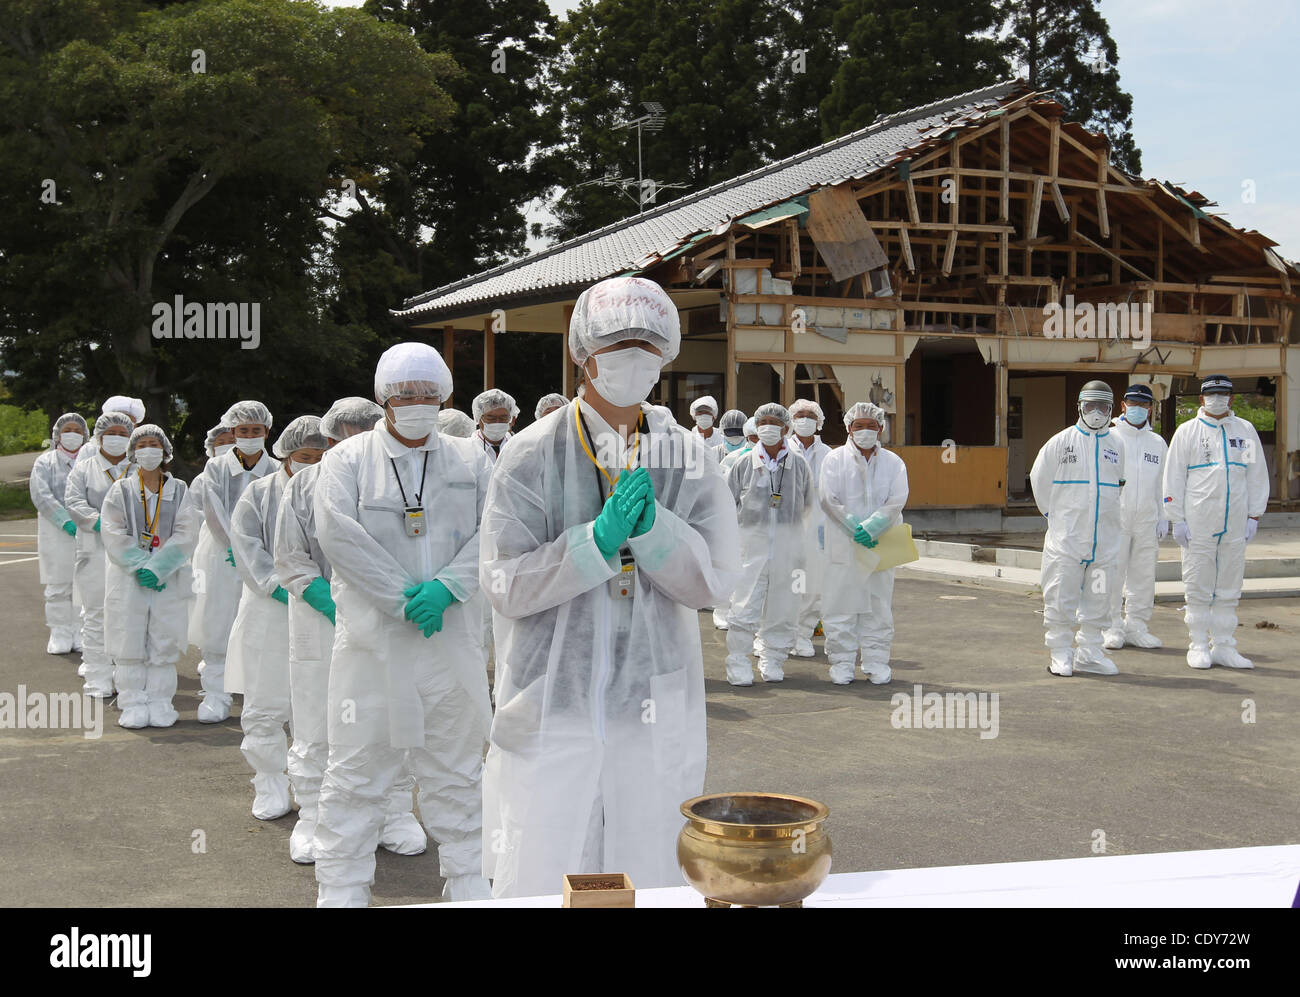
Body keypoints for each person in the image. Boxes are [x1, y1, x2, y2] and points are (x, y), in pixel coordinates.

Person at [479, 275, 740, 898]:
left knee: (649, 860)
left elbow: (715, 583)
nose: (634, 355)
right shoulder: (530, 454)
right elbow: (505, 583)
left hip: (651, 701)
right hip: (553, 700)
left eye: (648, 344)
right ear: (583, 352)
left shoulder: (687, 455)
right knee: (546, 856)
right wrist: (592, 545)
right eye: (619, 341)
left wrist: (657, 534)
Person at [312, 343, 494, 906]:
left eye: (426, 395)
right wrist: (400, 598)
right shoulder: (346, 459)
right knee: (358, 767)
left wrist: (448, 587)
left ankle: (468, 879)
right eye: (403, 395)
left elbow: (497, 529)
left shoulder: (472, 458)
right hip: (373, 644)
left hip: (451, 639)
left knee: (459, 764)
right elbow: (337, 533)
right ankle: (342, 885)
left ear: (445, 397)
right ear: (382, 399)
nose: (415, 404)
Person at [274, 397, 427, 864]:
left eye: (366, 431)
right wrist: (327, 600)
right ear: (331, 438)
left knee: (393, 714)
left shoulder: (402, 483)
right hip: (321, 621)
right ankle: (314, 815)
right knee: (319, 718)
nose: (356, 442)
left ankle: (395, 812)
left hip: (390, 619)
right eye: (346, 434)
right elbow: (290, 556)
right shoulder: (303, 486)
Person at [227, 416, 325, 820]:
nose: (315, 464)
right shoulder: (259, 494)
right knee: (266, 700)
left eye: (323, 456)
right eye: (306, 457)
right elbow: (247, 545)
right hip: (269, 608)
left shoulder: (335, 489)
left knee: (318, 704)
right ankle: (268, 781)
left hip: (319, 609)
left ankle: (316, 789)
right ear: (285, 454)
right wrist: (277, 584)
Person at [1164, 375, 1268, 670]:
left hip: (1235, 523)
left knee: (1229, 586)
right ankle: (1198, 644)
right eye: (1212, 394)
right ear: (1201, 398)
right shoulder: (1187, 433)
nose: (1218, 399)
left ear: (1232, 399)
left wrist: (1253, 515)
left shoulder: (1244, 431)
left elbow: (1255, 474)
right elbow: (1173, 478)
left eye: (1224, 394)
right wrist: (1177, 519)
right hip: (1198, 522)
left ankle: (1224, 646)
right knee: (1197, 584)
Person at [183, 401, 277, 722]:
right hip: (221, 556)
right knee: (218, 620)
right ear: (232, 431)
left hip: (264, 556)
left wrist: (255, 552)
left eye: (256, 430)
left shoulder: (276, 469)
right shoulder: (217, 468)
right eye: (243, 430)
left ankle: (256, 695)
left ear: (266, 431)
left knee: (258, 622)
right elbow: (214, 511)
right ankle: (215, 693)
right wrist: (236, 548)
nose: (249, 435)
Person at [100, 425, 198, 728]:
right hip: (129, 578)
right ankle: (132, 702)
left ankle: (160, 702)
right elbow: (112, 530)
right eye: (141, 444)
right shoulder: (121, 489)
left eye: (153, 443)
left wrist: (158, 567)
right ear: (133, 452)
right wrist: (140, 563)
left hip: (167, 577)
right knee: (129, 640)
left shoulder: (180, 489)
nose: (148, 449)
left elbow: (186, 531)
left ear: (165, 451)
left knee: (163, 641)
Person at [1030, 381, 1126, 677]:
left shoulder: (1116, 444)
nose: (1096, 413)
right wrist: (1056, 517)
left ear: (1110, 409)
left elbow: (1119, 485)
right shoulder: (1061, 442)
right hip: (1067, 543)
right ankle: (1060, 652)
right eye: (1090, 406)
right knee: (1061, 597)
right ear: (1079, 407)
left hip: (1103, 545)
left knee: (1098, 600)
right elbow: (1039, 480)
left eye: (1102, 407)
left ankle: (1090, 652)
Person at [720, 403, 814, 685]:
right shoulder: (742, 463)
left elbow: (808, 505)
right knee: (744, 606)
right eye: (764, 422)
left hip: (787, 551)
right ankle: (737, 661)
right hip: (750, 550)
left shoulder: (798, 464)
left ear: (786, 428)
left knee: (782, 607)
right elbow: (726, 505)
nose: (769, 427)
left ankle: (772, 658)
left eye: (775, 422)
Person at [819, 402, 909, 685]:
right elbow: (828, 499)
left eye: (871, 426)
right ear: (849, 428)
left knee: (878, 605)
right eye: (859, 426)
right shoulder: (834, 460)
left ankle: (876, 661)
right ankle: (842, 662)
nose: (865, 431)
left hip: (883, 542)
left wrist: (873, 527)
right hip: (843, 543)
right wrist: (854, 527)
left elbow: (897, 500)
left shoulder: (894, 462)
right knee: (841, 605)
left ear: (881, 428)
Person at [64, 411, 134, 697]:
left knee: (127, 614)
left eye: (122, 433)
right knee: (95, 613)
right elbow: (74, 501)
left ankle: (124, 671)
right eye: (111, 433)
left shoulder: (138, 468)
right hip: (94, 549)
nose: (116, 438)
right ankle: (97, 674)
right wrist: (106, 525)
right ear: (99, 436)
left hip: (130, 552)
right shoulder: (84, 468)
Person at [1104, 385, 1169, 650]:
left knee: (1143, 576)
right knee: (1112, 573)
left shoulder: (1157, 443)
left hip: (1146, 519)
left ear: (1151, 408)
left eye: (1144, 405)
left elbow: (1161, 485)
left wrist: (1164, 516)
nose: (1138, 409)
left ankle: (1136, 626)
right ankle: (1110, 626)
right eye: (1133, 404)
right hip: (1116, 517)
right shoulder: (1109, 437)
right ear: (1122, 406)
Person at [30, 413, 90, 654]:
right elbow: (41, 494)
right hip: (55, 532)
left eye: (78, 429)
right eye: (68, 429)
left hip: (86, 530)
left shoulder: (90, 461)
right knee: (58, 583)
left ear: (84, 435)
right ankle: (59, 631)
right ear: (58, 434)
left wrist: (85, 520)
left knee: (83, 583)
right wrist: (65, 521)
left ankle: (78, 630)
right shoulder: (45, 462)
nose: (73, 434)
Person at [787, 399, 833, 658]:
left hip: (818, 530)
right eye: (800, 415)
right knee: (784, 583)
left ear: (819, 421)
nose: (804, 420)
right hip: (786, 527)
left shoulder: (828, 454)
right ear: (792, 420)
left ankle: (803, 633)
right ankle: (777, 633)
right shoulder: (783, 450)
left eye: (810, 416)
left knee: (814, 586)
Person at [472, 388, 518, 464]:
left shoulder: (517, 446)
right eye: (491, 418)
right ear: (478, 418)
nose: (497, 422)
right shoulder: (469, 449)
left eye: (503, 418)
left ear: (511, 418)